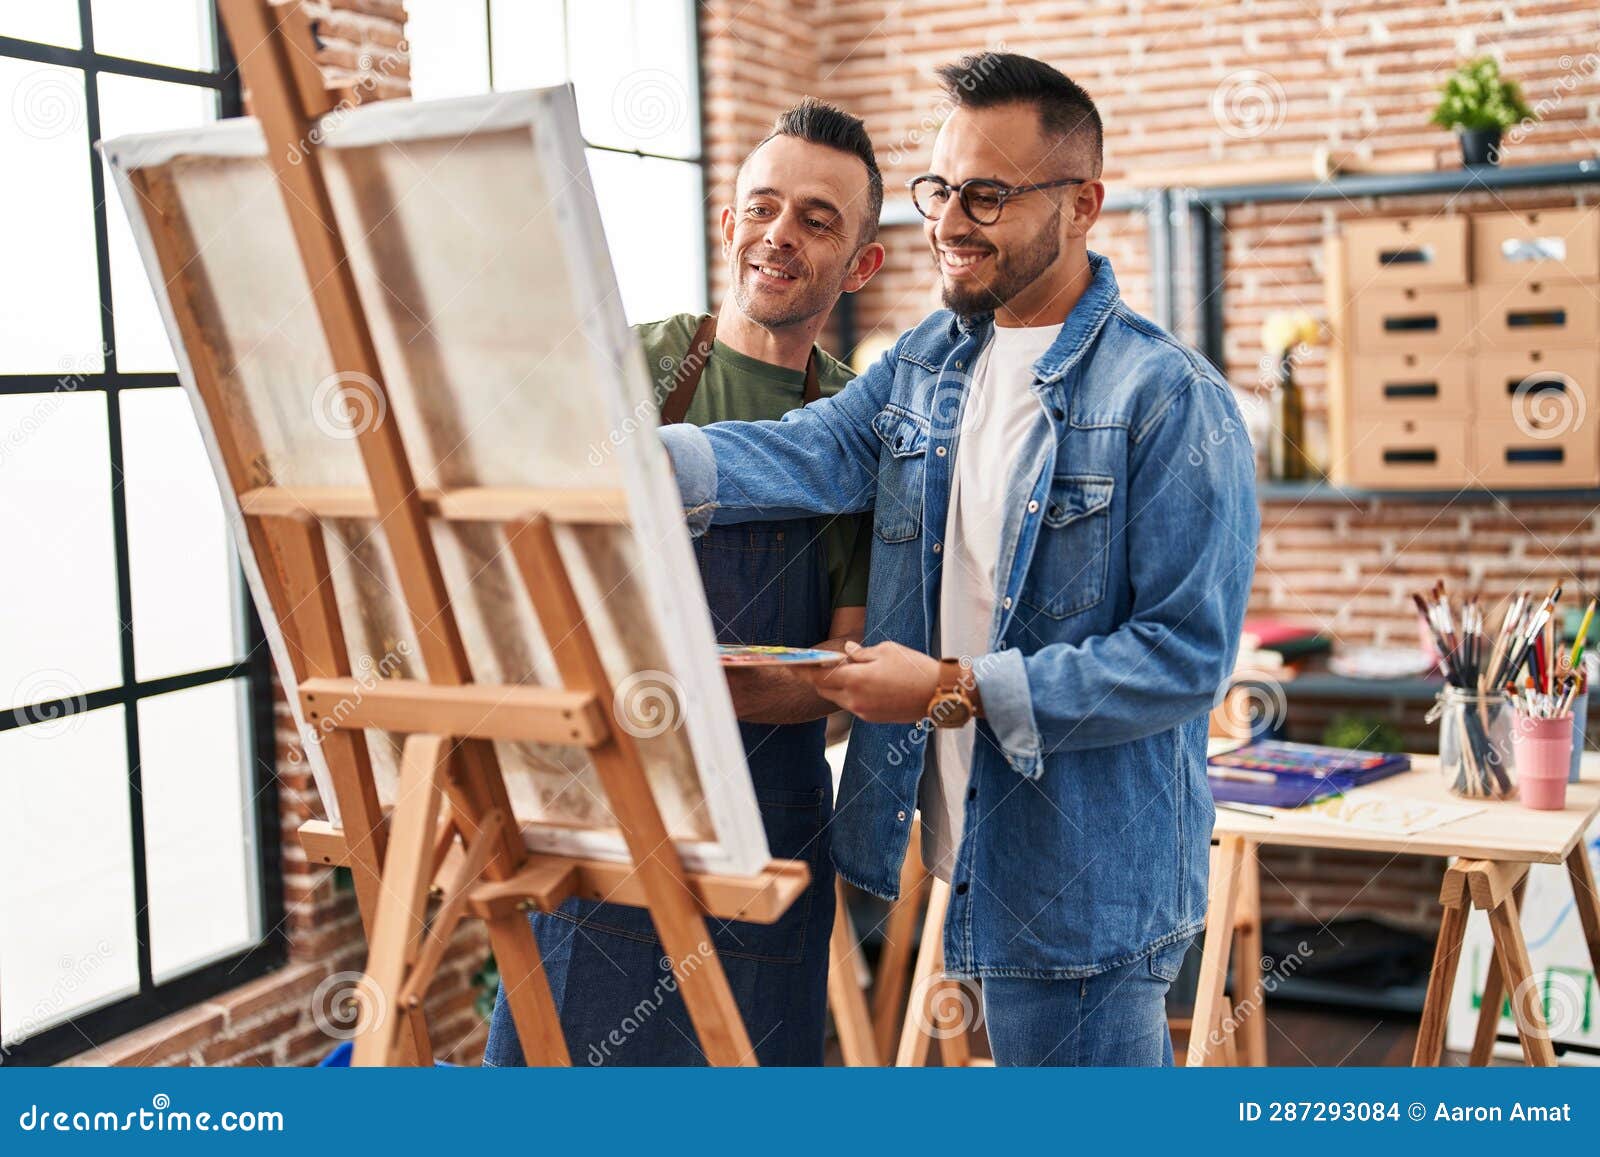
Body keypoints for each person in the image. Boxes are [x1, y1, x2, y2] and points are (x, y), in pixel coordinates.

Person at [658, 53, 1259, 1066]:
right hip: (964, 845)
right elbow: (808, 451)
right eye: (938, 188)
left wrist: (947, 686)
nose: (946, 222)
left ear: (1081, 204)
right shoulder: (933, 359)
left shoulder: (1168, 397)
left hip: (1085, 877)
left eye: (986, 194)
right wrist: (617, 463)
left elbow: (1180, 656)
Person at [482, 98, 886, 1067]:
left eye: (817, 220)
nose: (778, 236)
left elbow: (839, 668)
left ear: (860, 264)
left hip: (766, 835)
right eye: (762, 207)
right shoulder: (627, 365)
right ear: (729, 221)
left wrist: (695, 682)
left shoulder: (861, 430)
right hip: (603, 823)